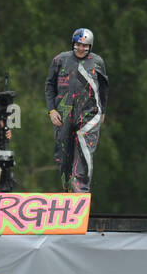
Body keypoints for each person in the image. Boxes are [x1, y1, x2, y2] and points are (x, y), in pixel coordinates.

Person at [45, 28, 108, 192]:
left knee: (84, 150)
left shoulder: (97, 62)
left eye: (85, 45)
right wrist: (51, 110)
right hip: (63, 113)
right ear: (73, 43)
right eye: (78, 44)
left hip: (89, 114)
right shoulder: (60, 59)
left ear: (90, 46)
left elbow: (104, 89)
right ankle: (67, 191)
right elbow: (49, 86)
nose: (81, 48)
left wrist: (103, 111)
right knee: (63, 155)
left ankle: (81, 191)